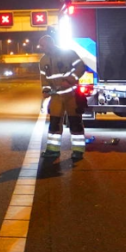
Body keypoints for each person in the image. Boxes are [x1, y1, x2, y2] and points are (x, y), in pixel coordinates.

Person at [38, 33, 88, 161]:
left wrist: (70, 80)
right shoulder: (43, 60)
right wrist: (46, 90)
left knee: (75, 122)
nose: (41, 48)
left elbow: (81, 67)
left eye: (42, 45)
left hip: (71, 94)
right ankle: (52, 150)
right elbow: (44, 78)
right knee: (54, 123)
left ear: (50, 43)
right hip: (56, 96)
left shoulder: (68, 54)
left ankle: (78, 151)